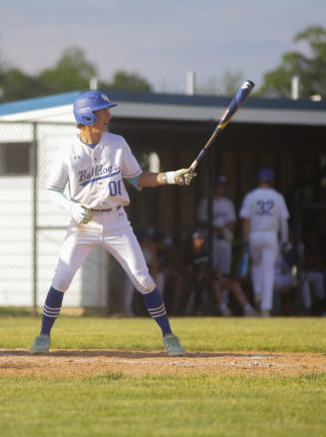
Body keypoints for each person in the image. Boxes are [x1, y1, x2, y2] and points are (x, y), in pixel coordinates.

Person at [29, 90, 195, 356]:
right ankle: (43, 337)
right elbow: (53, 190)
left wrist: (171, 177)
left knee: (143, 279)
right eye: (102, 111)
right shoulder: (67, 150)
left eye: (107, 110)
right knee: (61, 278)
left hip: (116, 220)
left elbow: (137, 178)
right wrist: (72, 207)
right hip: (83, 224)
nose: (108, 115)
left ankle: (169, 336)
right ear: (86, 115)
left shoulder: (117, 143)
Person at [239, 168, 290, 317]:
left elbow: (246, 220)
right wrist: (285, 241)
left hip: (254, 234)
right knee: (269, 272)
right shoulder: (278, 197)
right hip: (271, 235)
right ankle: (266, 308)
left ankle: (258, 292)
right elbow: (284, 221)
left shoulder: (251, 196)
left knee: (256, 266)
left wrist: (245, 240)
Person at [196, 174, 237, 313]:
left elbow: (232, 222)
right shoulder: (205, 202)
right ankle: (208, 303)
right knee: (211, 271)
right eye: (219, 185)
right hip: (210, 240)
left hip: (224, 241)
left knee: (224, 273)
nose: (221, 188)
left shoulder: (228, 203)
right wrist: (217, 228)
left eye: (223, 185)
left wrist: (225, 229)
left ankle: (224, 303)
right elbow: (201, 221)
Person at [121, 228, 164, 317]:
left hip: (143, 276)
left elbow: (154, 268)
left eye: (150, 239)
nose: (149, 241)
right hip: (132, 275)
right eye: (147, 239)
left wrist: (154, 254)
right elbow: (133, 267)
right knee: (129, 281)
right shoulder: (134, 248)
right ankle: (127, 309)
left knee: (160, 277)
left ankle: (157, 307)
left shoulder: (150, 250)